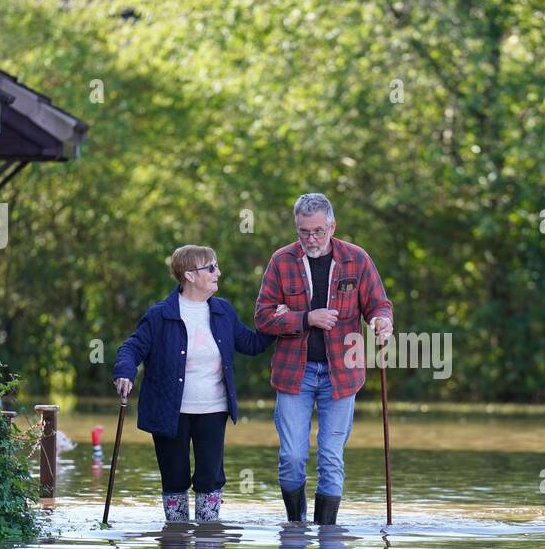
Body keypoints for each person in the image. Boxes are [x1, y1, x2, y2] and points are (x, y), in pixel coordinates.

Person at [254, 193, 393, 524]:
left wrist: (381, 320)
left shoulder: (356, 259)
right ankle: (296, 526)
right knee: (292, 456)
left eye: (317, 231)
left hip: (341, 375)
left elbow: (378, 303)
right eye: (303, 232)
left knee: (331, 456)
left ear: (332, 226)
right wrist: (305, 318)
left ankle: (327, 534)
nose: (310, 239)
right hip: (293, 373)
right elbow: (262, 317)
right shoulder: (282, 260)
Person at [114, 245, 273, 523]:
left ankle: (208, 548)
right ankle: (174, 546)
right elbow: (132, 348)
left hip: (213, 408)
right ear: (189, 275)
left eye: (216, 266)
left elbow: (250, 343)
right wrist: (124, 372)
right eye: (210, 268)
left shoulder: (223, 310)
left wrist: (282, 322)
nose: (217, 273)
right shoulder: (160, 314)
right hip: (169, 410)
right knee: (174, 476)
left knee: (209, 478)